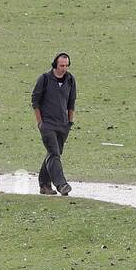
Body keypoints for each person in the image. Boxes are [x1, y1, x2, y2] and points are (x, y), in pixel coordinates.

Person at [32, 53, 76, 196]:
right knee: (54, 153)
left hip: (63, 125)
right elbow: (35, 101)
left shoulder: (70, 80)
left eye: (66, 65)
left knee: (54, 154)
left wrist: (69, 122)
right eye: (62, 65)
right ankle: (61, 184)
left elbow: (71, 102)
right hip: (47, 125)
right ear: (55, 65)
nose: (64, 68)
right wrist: (40, 123)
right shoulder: (44, 79)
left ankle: (44, 185)